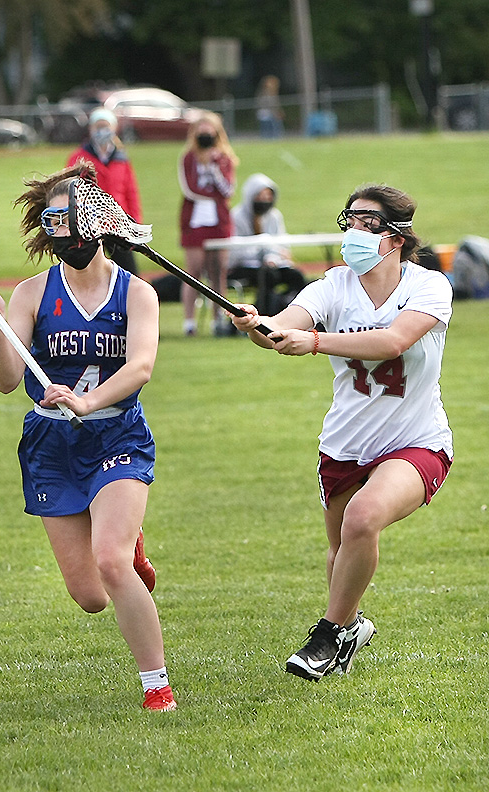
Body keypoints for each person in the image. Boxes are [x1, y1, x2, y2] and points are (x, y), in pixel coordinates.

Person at [0, 163, 177, 711]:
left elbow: (140, 368)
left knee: (111, 563)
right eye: (54, 221)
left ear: (98, 220)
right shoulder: (31, 294)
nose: (67, 232)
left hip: (117, 437)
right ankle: (131, 541)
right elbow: (8, 382)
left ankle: (157, 688)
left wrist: (87, 401)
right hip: (51, 447)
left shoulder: (137, 294)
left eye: (75, 218)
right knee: (89, 597)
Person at [228, 184, 453, 681]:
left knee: (362, 518)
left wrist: (310, 342)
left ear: (396, 237)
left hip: (417, 441)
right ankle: (350, 628)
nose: (353, 230)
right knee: (339, 553)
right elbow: (286, 325)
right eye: (349, 220)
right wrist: (257, 325)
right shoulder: (332, 286)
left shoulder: (430, 286)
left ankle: (327, 633)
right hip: (345, 444)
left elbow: (394, 340)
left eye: (367, 223)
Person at [177, 111, 239, 336]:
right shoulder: (188, 158)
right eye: (200, 131)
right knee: (192, 270)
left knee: (217, 272)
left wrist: (214, 169)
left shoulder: (224, 158)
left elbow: (228, 190)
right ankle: (189, 322)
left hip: (218, 222)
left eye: (208, 131)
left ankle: (217, 320)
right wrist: (212, 194)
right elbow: (189, 189)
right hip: (195, 221)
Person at [66, 107, 143, 275]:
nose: (102, 131)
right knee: (89, 270)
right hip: (90, 222)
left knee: (128, 272)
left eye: (106, 126)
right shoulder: (79, 157)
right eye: (98, 127)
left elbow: (131, 192)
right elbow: (70, 189)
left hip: (117, 222)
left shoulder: (121, 158)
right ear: (90, 129)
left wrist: (135, 221)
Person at [228, 173, 306, 315]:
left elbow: (281, 244)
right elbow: (235, 251)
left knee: (296, 276)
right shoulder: (236, 217)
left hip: (271, 265)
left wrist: (272, 258)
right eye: (260, 196)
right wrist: (262, 252)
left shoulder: (275, 216)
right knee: (268, 276)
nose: (264, 200)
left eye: (268, 196)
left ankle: (287, 309)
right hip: (244, 267)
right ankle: (262, 313)